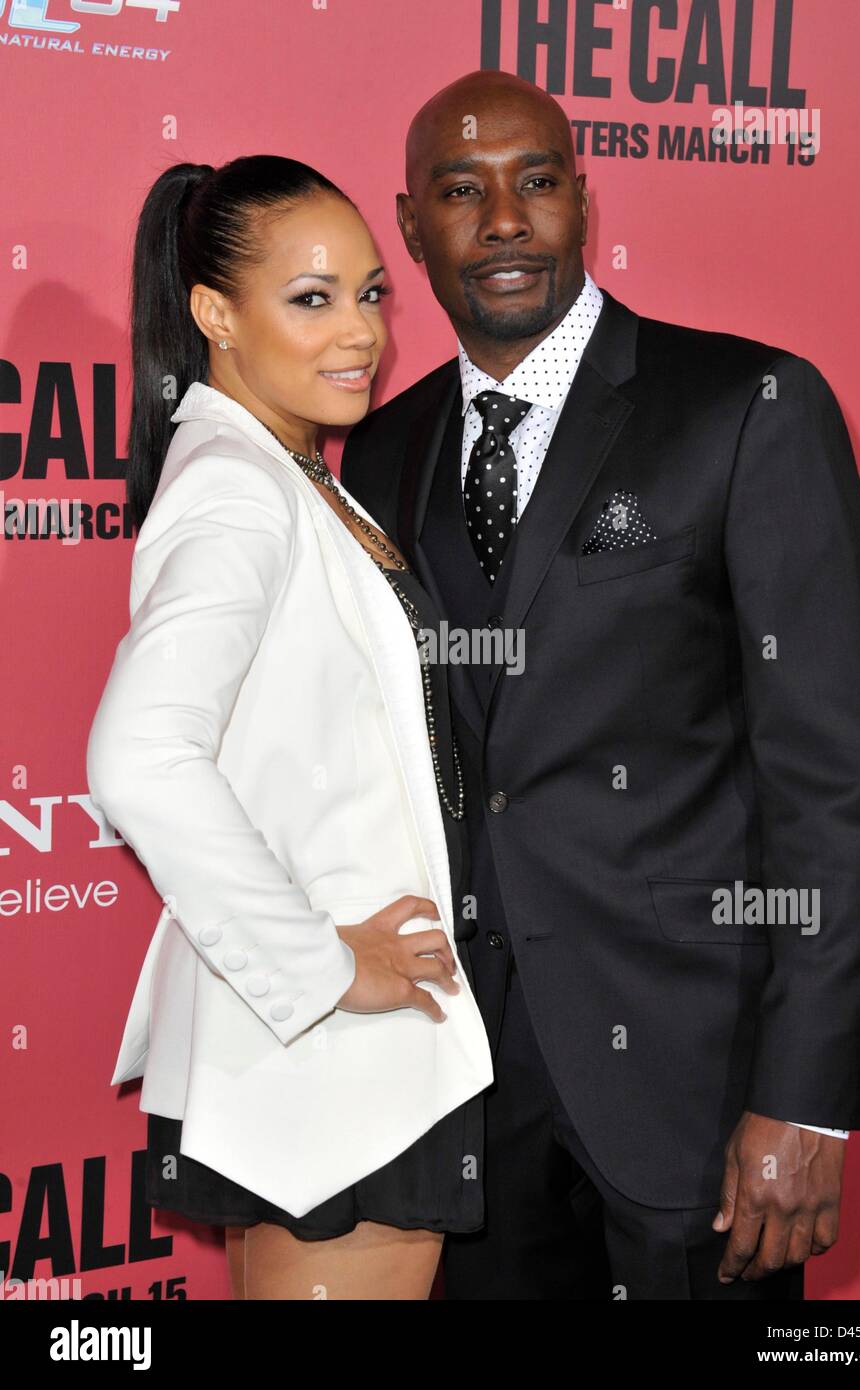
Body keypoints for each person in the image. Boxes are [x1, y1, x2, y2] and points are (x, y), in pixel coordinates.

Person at [340, 72, 860, 1300]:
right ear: (412, 222)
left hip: (697, 1094)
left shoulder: (746, 406)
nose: (503, 221)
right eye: (461, 192)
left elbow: (833, 779)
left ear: (582, 200)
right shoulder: (384, 447)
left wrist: (805, 1098)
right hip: (466, 1092)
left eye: (536, 183)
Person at [85, 155, 493, 1300]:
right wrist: (319, 968)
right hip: (328, 1071)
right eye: (310, 299)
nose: (359, 331)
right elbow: (139, 755)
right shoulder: (237, 486)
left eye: (370, 293)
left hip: (340, 1067)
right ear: (214, 313)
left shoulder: (294, 469)